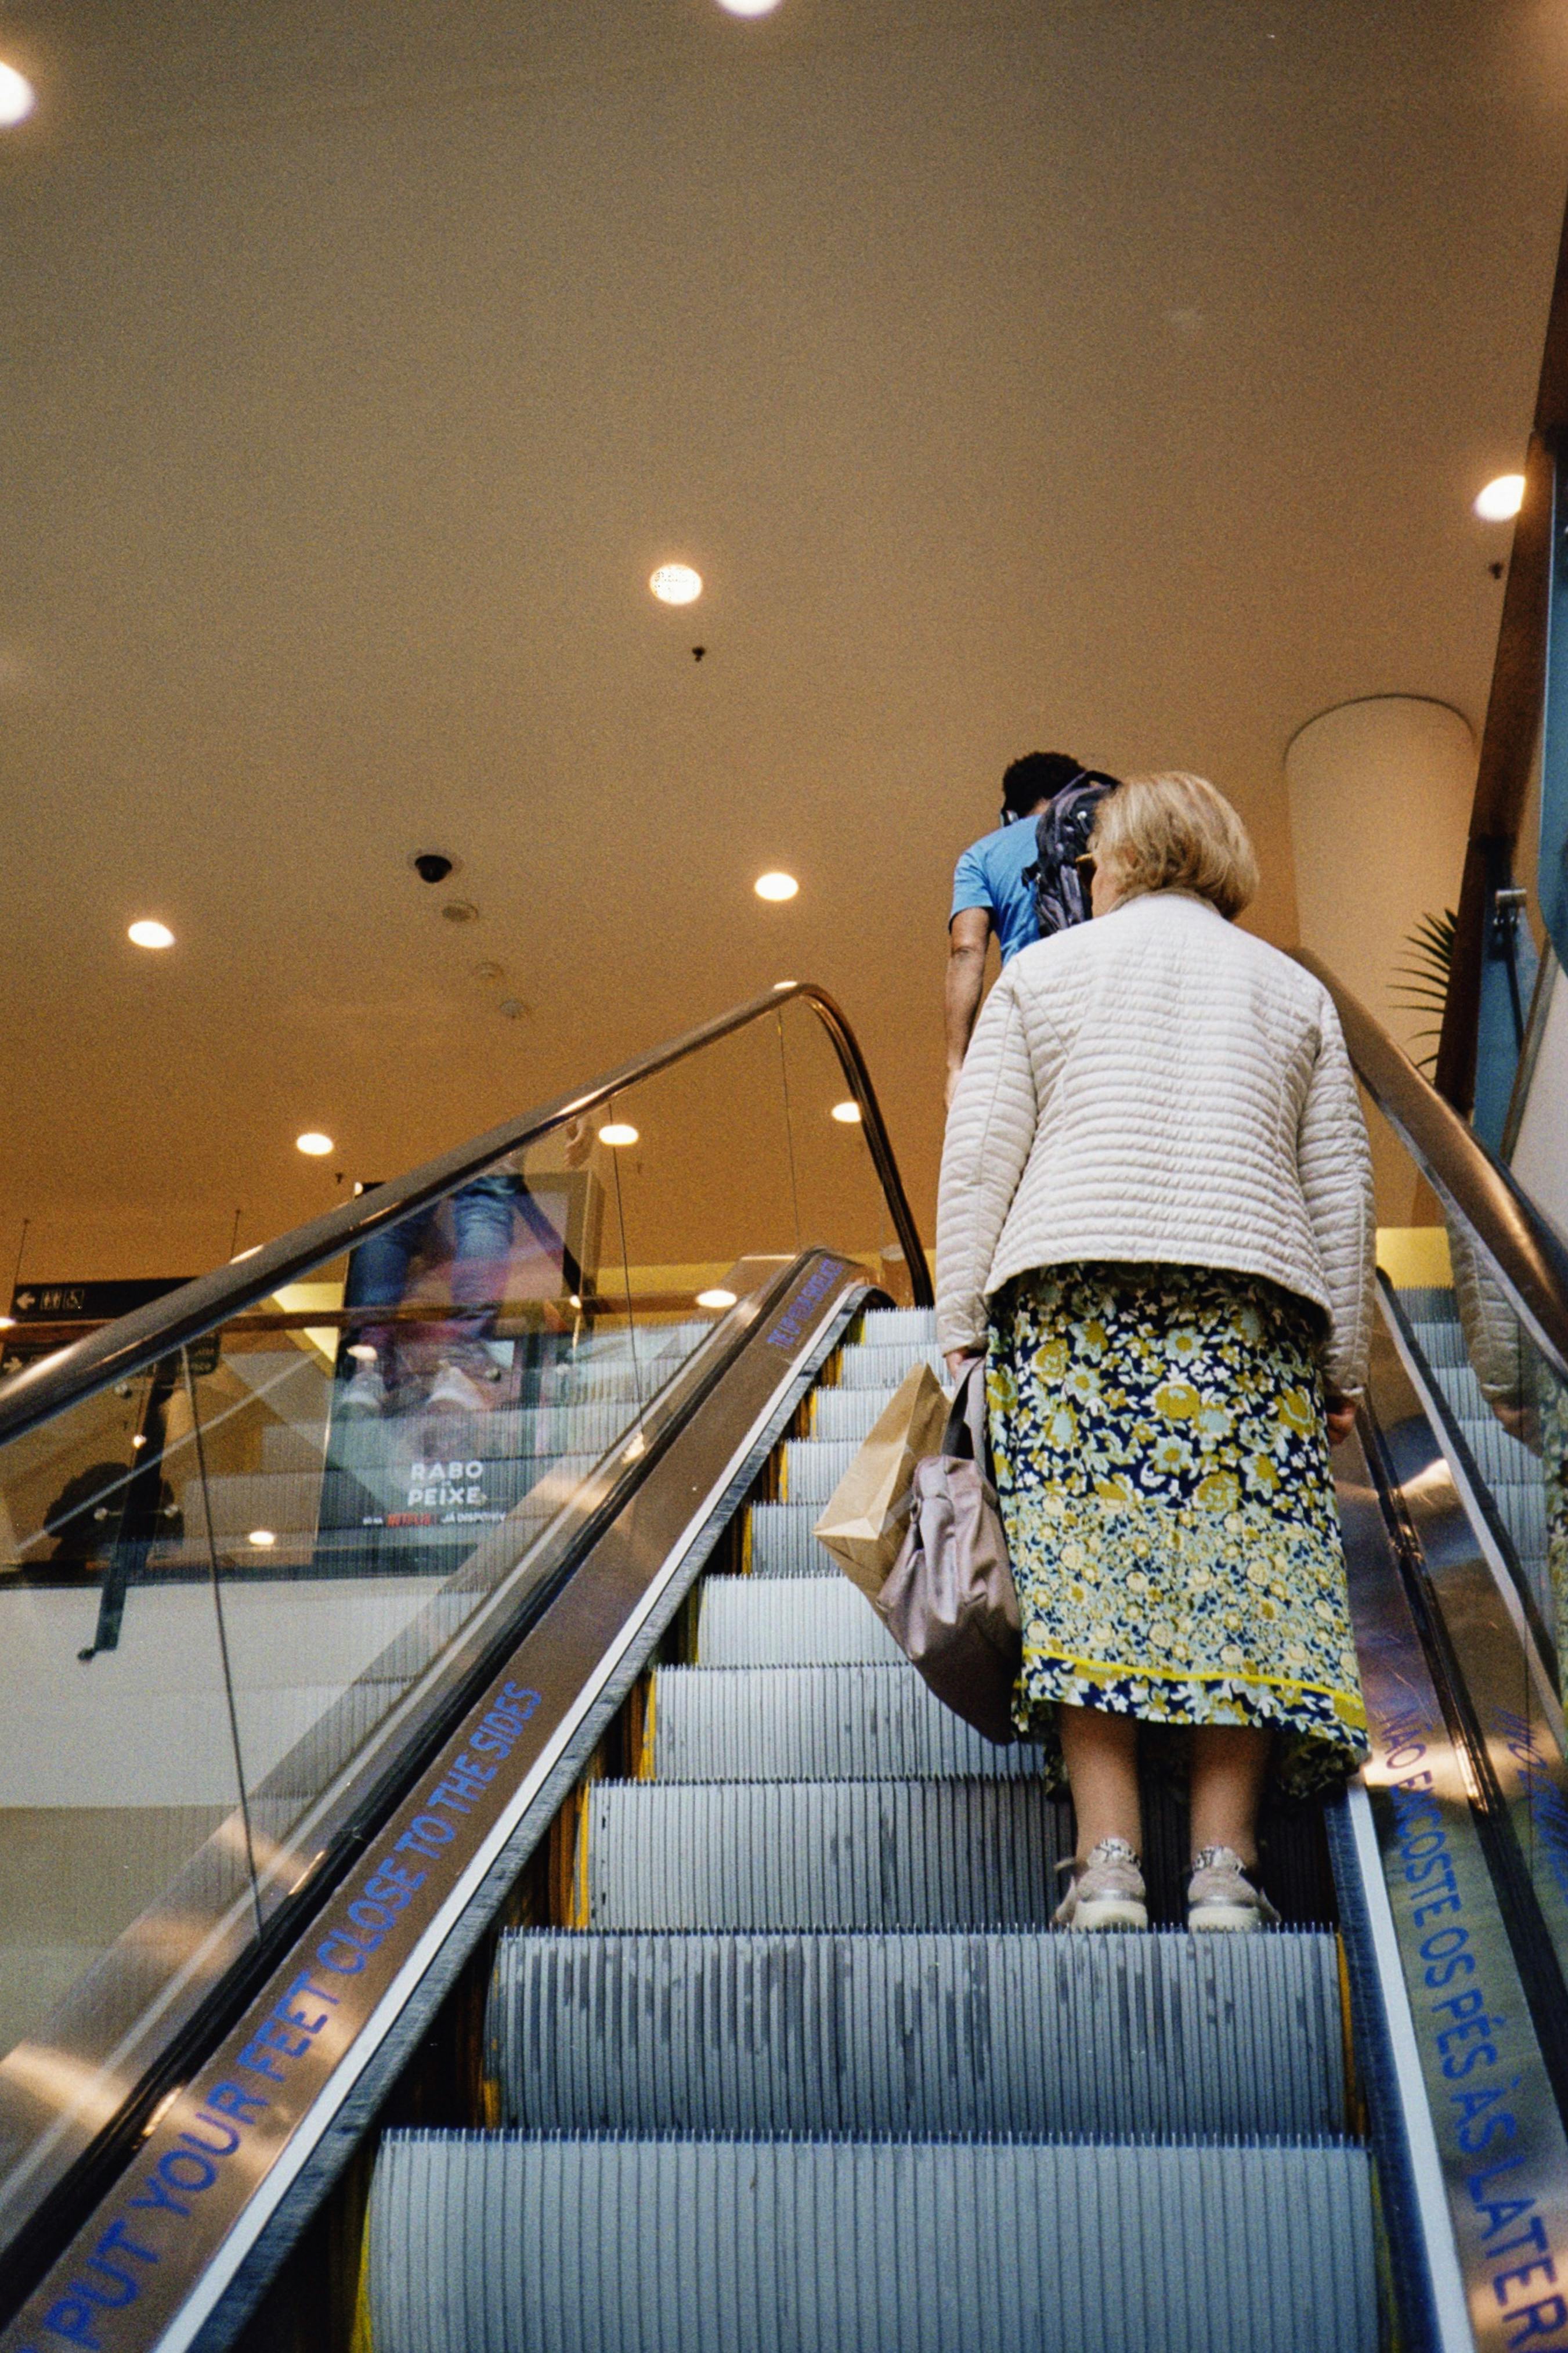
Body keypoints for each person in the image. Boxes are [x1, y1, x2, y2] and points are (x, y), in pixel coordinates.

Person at [937, 771, 1374, 1932]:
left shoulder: (1042, 973)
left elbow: (979, 1158)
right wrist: (1342, 1367)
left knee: (1085, 1576)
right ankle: (1226, 1870)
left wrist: (959, 1326)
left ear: (1118, 860)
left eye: (1094, 858)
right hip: (1249, 1313)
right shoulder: (1291, 987)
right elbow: (1339, 1184)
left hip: (1076, 1311)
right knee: (1244, 1582)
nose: (1086, 873)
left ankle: (1109, 1866)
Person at [945, 751, 1119, 1105]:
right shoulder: (1116, 832)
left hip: (1036, 1003)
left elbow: (966, 950)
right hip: (1115, 989)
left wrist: (956, 1065)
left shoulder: (981, 855)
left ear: (1009, 814)